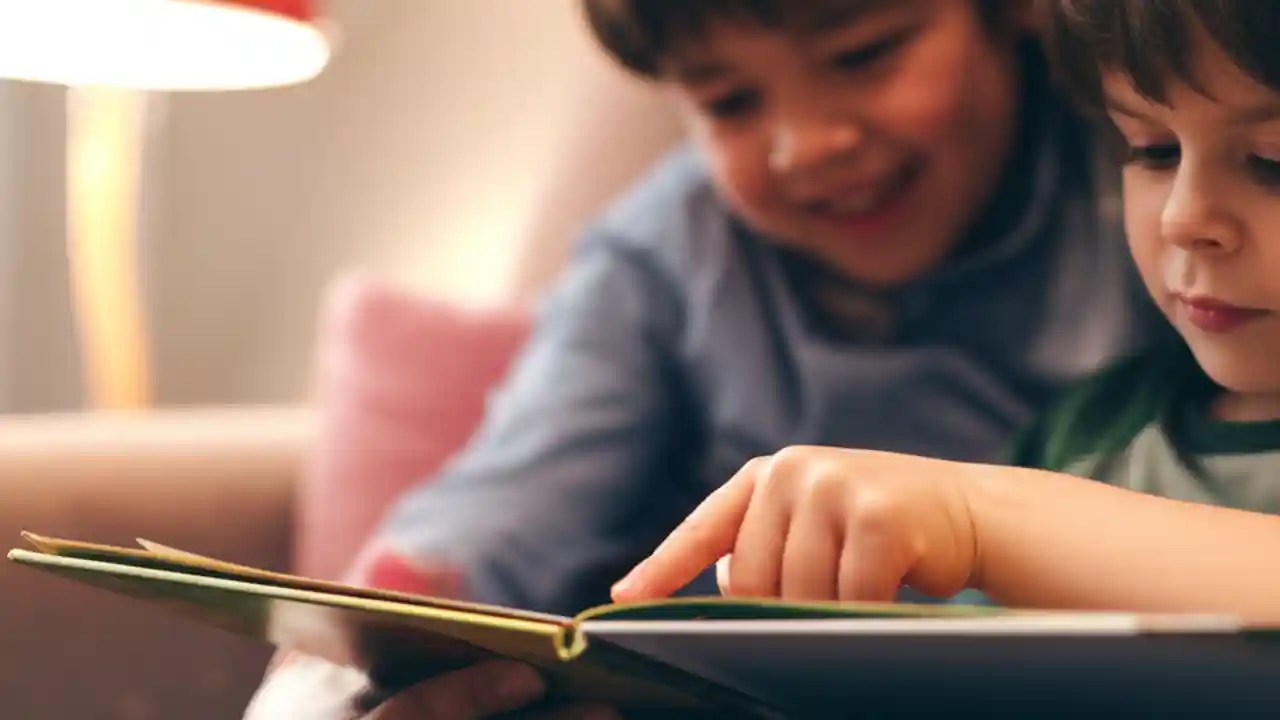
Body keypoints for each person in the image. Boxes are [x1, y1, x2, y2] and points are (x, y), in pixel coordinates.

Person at [246, 0, 1158, 716]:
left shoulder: (1153, 187)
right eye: (730, 102)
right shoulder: (665, 258)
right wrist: (331, 682)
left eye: (863, 54)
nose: (808, 144)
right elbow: (485, 526)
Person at [614, 0, 1280, 627]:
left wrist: (983, 519)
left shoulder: (1006, 506)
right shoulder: (1086, 436)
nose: (1182, 219)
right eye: (1155, 149)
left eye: (1272, 161)